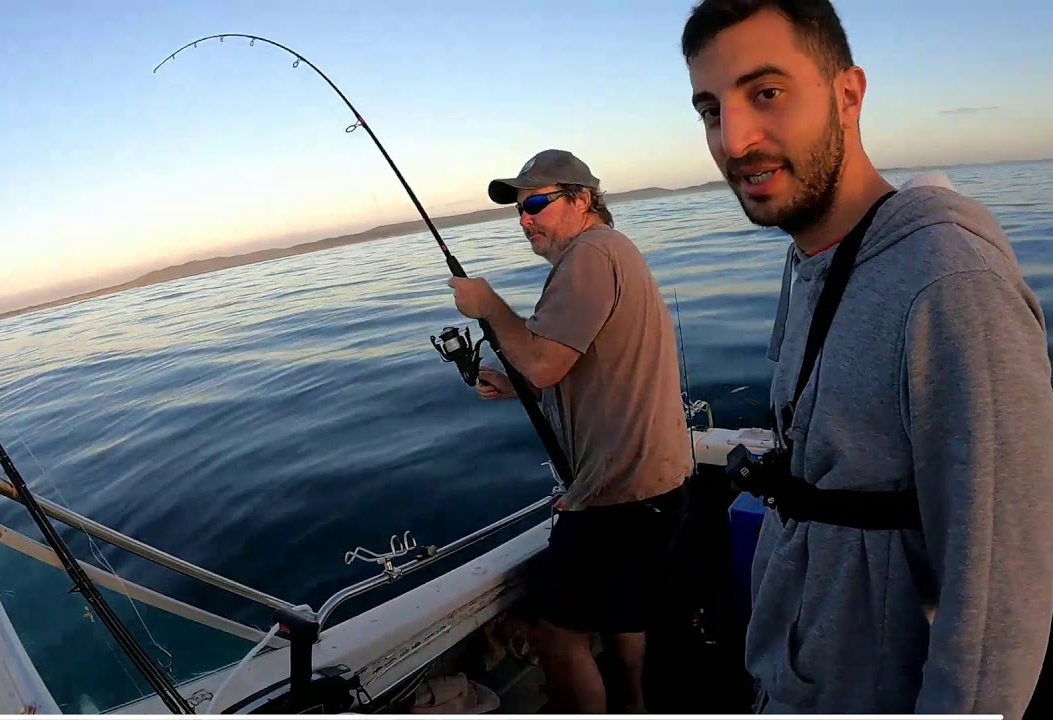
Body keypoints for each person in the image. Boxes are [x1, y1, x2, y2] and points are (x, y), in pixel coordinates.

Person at [680, 0, 1053, 716]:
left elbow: (996, 619)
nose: (734, 140)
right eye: (709, 110)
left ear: (847, 94)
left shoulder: (950, 285)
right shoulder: (809, 258)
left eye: (766, 93)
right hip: (793, 675)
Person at [446, 148, 695, 713]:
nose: (524, 218)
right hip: (657, 485)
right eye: (519, 208)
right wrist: (513, 384)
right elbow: (569, 366)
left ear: (582, 200)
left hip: (620, 495)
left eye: (536, 202)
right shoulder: (613, 253)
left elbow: (540, 362)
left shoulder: (588, 257)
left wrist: (489, 305)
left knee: (559, 637)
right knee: (627, 616)